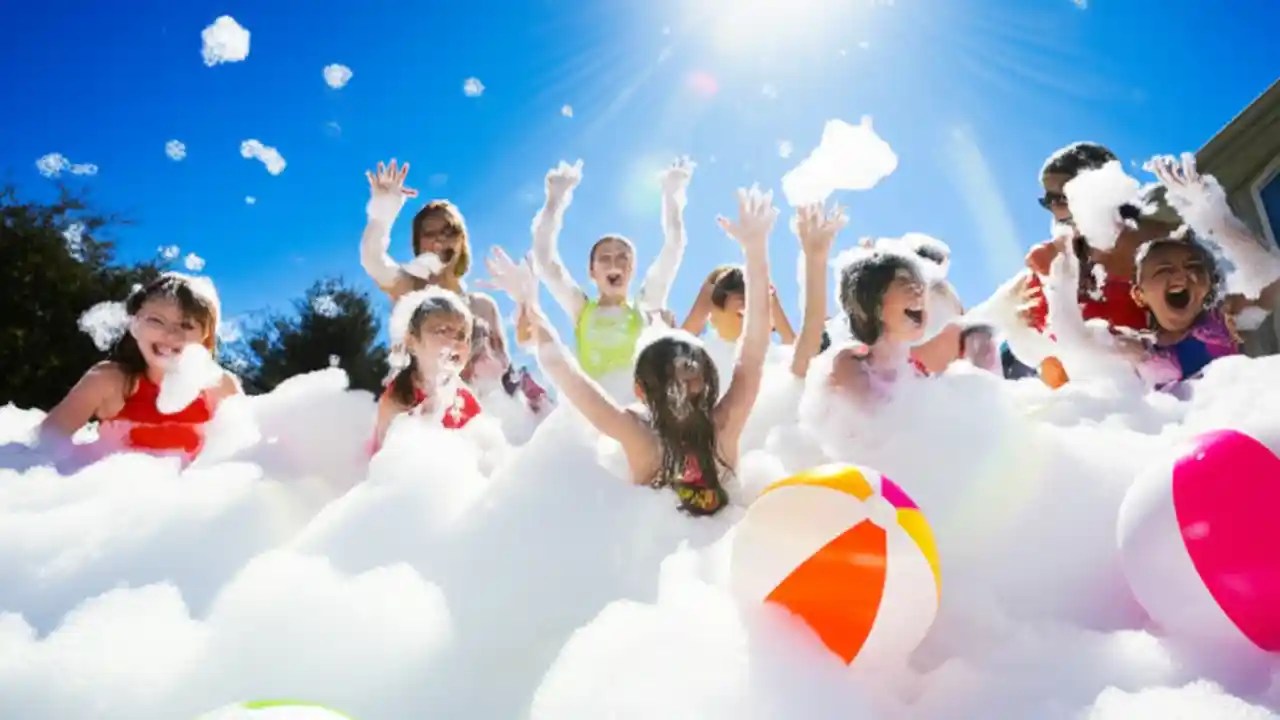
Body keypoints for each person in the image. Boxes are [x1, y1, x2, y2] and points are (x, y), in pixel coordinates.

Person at [486, 186, 777, 516]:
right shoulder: (649, 438)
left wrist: (755, 253)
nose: (682, 385)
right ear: (641, 390)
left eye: (690, 373)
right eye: (672, 377)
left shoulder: (717, 427)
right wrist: (530, 307)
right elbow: (571, 379)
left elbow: (753, 350)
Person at [1039, 154, 1280, 390]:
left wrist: (1214, 216)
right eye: (1164, 270)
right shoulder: (1139, 349)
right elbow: (1079, 348)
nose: (1180, 276)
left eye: (1194, 268)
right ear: (1138, 294)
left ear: (1208, 284)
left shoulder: (1221, 324)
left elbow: (1272, 281)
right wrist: (1061, 290)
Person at [1019, 142, 1180, 387]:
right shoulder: (1055, 261)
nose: (1054, 210)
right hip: (1088, 393)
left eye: (1060, 198)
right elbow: (1043, 343)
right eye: (1048, 201)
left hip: (1164, 384)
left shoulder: (1163, 241)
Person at [40, 273, 241, 459]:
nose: (171, 335)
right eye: (156, 321)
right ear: (134, 325)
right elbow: (39, 449)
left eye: (186, 325)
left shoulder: (220, 387)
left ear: (205, 338)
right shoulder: (108, 381)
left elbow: (246, 460)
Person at [530, 158, 693, 381]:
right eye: (605, 258)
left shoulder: (647, 306)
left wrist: (672, 194)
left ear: (632, 268)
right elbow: (545, 261)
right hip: (593, 410)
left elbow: (674, 246)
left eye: (622, 257)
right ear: (592, 271)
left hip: (638, 411)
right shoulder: (582, 310)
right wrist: (555, 200)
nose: (614, 264)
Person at [372, 287, 483, 451]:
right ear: (412, 342)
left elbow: (484, 447)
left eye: (462, 336)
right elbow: (384, 458)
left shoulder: (465, 399)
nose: (455, 342)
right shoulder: (398, 397)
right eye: (443, 331)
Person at [681, 264, 796, 344]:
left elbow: (801, 356)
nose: (745, 304)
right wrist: (704, 300)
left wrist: (773, 304)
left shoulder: (774, 361)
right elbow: (676, 347)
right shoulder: (704, 357)